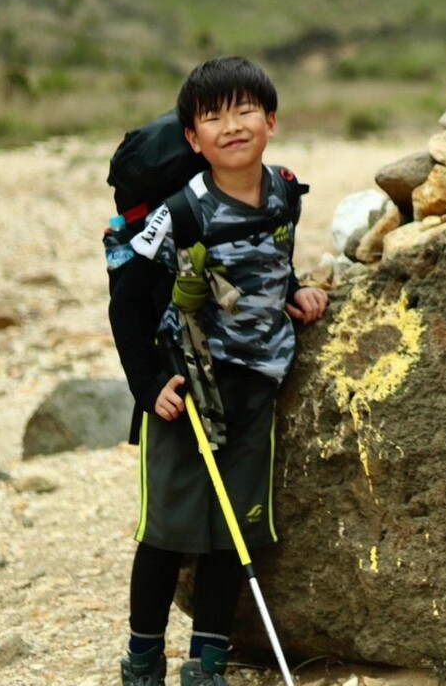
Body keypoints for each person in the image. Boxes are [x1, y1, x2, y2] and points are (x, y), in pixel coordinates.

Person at [114, 56, 328, 686]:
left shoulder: (285, 190)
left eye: (244, 111)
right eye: (213, 117)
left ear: (271, 121)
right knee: (167, 529)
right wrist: (149, 384)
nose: (231, 126)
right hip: (186, 385)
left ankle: (208, 663)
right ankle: (143, 659)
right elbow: (127, 300)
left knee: (234, 527)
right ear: (193, 138)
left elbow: (272, 257)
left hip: (258, 383)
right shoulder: (181, 212)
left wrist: (296, 290)